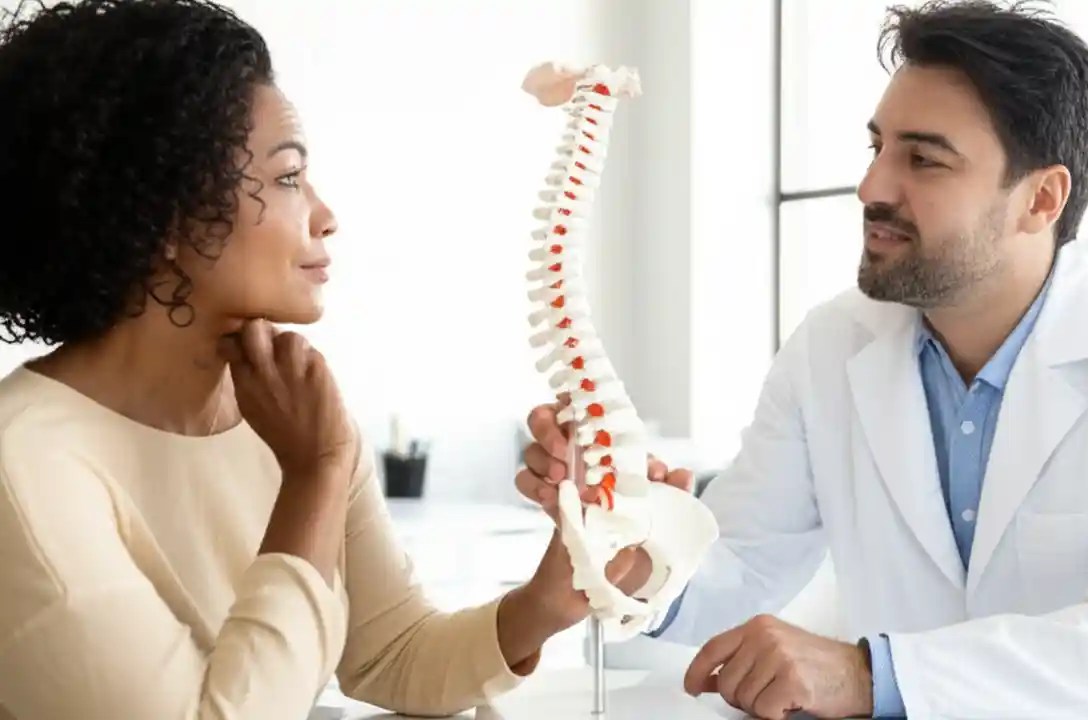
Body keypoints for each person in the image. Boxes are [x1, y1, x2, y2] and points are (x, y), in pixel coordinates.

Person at [518, 1, 1088, 718]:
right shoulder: (830, 345)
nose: (873, 186)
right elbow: (740, 569)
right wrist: (630, 538)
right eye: (879, 147)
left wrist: (866, 673)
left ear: (1041, 200)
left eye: (926, 161)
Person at [0, 2, 640, 718]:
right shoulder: (24, 469)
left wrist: (548, 599)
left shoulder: (286, 414)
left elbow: (391, 651)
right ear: (164, 216)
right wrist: (314, 476)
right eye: (285, 178)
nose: (325, 213)